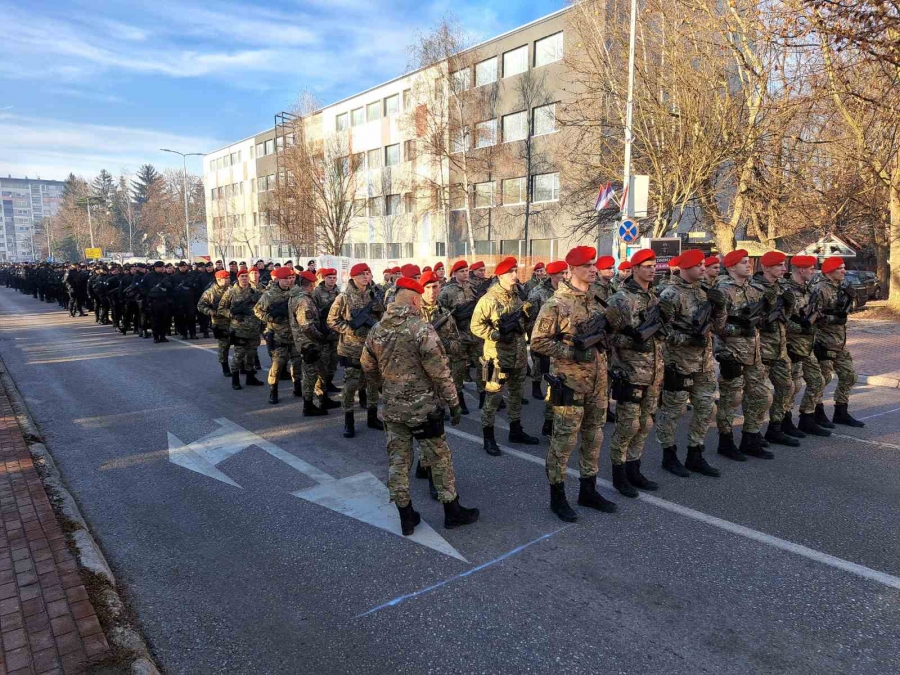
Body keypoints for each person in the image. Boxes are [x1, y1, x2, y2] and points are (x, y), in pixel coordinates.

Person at [361, 276, 479, 535]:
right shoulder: (421, 329)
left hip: (393, 408)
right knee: (439, 458)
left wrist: (383, 387)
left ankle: (406, 516)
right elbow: (440, 371)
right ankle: (452, 511)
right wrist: (453, 402)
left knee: (398, 462)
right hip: (423, 409)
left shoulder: (377, 329)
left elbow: (367, 365)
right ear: (415, 300)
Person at [531, 246, 617, 522]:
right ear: (571, 270)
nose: (593, 269)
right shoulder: (556, 304)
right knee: (564, 442)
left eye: (594, 264)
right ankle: (558, 497)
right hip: (569, 383)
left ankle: (588, 491)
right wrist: (571, 353)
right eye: (587, 265)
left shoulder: (596, 299)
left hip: (597, 382)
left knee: (594, 437)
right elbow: (538, 342)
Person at [654, 249, 727, 477]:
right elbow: (661, 332)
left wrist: (720, 308)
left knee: (707, 407)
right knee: (672, 411)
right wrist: (687, 339)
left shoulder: (705, 292)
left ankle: (695, 453)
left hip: (704, 363)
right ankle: (669, 455)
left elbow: (719, 328)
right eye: (698, 265)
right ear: (685, 268)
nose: (703, 268)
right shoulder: (670, 295)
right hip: (678, 363)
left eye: (704, 264)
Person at [605, 249, 665, 497]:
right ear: (635, 269)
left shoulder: (654, 296)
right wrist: (632, 342)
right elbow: (606, 337)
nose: (652, 270)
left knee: (645, 424)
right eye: (647, 266)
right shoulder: (619, 299)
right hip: (630, 372)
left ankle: (634, 468)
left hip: (653, 373)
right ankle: (619, 474)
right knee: (627, 426)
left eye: (653, 265)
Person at [471, 256, 540, 454]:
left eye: (515, 271)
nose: (514, 275)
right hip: (497, 358)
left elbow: (524, 325)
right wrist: (496, 335)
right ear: (500, 276)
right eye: (510, 272)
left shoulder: (517, 296)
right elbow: (475, 326)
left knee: (517, 395)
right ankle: (488, 437)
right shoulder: (489, 299)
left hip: (518, 356)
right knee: (493, 398)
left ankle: (515, 430)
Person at [715, 249, 776, 460]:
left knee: (761, 396)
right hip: (731, 353)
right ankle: (726, 442)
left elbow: (763, 319)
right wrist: (739, 328)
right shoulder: (722, 291)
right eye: (743, 262)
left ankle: (750, 437)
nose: (749, 265)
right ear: (731, 267)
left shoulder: (755, 289)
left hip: (754, 353)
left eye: (749, 261)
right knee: (731, 400)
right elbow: (716, 327)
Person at [327, 263, 385, 438]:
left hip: (372, 347)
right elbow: (331, 320)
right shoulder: (343, 297)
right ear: (353, 277)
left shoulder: (374, 294)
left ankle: (372, 417)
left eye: (367, 273)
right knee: (351, 385)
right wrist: (349, 329)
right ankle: (348, 421)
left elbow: (382, 318)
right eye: (361, 274)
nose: (365, 277)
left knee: (373, 384)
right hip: (351, 349)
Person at [810, 256, 865, 427]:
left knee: (849, 375)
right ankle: (816, 412)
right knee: (823, 378)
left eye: (843, 267)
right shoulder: (819, 289)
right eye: (840, 268)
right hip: (823, 341)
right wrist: (833, 317)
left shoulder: (843, 286)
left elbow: (845, 312)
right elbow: (812, 316)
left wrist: (849, 301)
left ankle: (841, 411)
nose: (844, 271)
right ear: (830, 271)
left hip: (839, 342)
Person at [753, 251, 800, 447]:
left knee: (786, 387)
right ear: (766, 267)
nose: (784, 268)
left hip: (780, 349)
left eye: (784, 264)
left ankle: (775, 428)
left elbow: (787, 319)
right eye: (779, 265)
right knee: (759, 395)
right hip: (760, 350)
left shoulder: (783, 287)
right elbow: (750, 320)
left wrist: (789, 306)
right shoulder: (754, 288)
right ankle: (753, 433)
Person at [783, 256, 831, 437]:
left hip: (807, 345)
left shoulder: (809, 290)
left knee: (817, 380)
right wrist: (801, 327)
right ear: (801, 269)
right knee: (792, 386)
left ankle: (807, 418)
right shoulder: (785, 290)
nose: (813, 271)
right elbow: (781, 321)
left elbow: (814, 314)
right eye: (811, 268)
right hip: (791, 346)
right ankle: (784, 420)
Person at [526, 261, 567, 435]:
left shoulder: (567, 293)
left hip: (562, 344)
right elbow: (530, 318)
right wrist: (535, 338)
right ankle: (537, 388)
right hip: (545, 340)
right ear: (551, 275)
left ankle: (552, 420)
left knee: (559, 382)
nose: (564, 277)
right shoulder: (538, 293)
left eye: (566, 273)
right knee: (542, 368)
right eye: (561, 274)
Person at [438, 260, 486, 405]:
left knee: (482, 365)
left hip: (475, 335)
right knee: (458, 369)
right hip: (458, 336)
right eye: (461, 271)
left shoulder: (473, 288)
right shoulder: (446, 291)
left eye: (466, 271)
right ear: (454, 273)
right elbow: (440, 314)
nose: (465, 274)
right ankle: (459, 399)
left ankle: (483, 394)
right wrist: (455, 319)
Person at [255, 267, 301, 404]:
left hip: (294, 335)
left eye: (291, 278)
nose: (289, 281)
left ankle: (297, 388)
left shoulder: (296, 293)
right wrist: (272, 318)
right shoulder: (269, 295)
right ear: (278, 279)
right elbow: (257, 311)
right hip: (277, 335)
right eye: (285, 279)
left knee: (297, 363)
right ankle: (273, 391)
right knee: (277, 365)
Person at [287, 270, 329, 415]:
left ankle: (323, 398)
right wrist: (321, 337)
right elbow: (307, 326)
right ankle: (308, 405)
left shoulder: (297, 296)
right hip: (308, 343)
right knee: (310, 374)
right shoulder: (303, 300)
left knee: (319, 370)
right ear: (311, 284)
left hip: (305, 340)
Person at [219, 268, 265, 390]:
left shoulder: (255, 293)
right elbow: (221, 309)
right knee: (239, 355)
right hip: (239, 330)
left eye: (246, 276)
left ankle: (250, 377)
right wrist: (232, 315)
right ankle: (235, 379)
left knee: (251, 354)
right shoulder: (230, 293)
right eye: (242, 276)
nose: (244, 278)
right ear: (238, 278)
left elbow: (263, 307)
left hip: (254, 329)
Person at [198, 270, 234, 376]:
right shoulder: (210, 292)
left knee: (239, 345)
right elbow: (200, 306)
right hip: (220, 323)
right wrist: (212, 312)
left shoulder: (232, 289)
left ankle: (240, 366)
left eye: (228, 278)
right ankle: (225, 368)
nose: (228, 280)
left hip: (234, 321)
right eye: (226, 278)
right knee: (224, 346)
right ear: (218, 280)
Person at [141, 261, 174, 343]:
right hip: (154, 301)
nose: (162, 268)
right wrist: (148, 294)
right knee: (155, 320)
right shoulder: (148, 276)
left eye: (163, 267)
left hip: (163, 300)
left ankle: (163, 336)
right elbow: (142, 287)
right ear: (156, 268)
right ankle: (156, 336)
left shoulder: (164, 276)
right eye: (160, 267)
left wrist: (168, 288)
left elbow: (170, 288)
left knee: (164, 319)